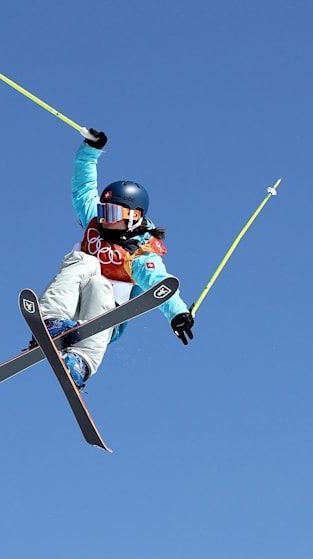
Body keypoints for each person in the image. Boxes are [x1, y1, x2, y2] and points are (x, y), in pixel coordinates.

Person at [36, 128, 195, 389]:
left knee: (101, 285)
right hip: (68, 306)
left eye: (111, 214)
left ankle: (80, 363)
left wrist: (177, 313)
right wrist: (90, 150)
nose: (104, 219)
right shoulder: (94, 223)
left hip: (102, 315)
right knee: (84, 261)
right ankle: (50, 321)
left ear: (134, 216)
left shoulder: (139, 254)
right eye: (103, 211)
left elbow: (159, 282)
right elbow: (83, 188)